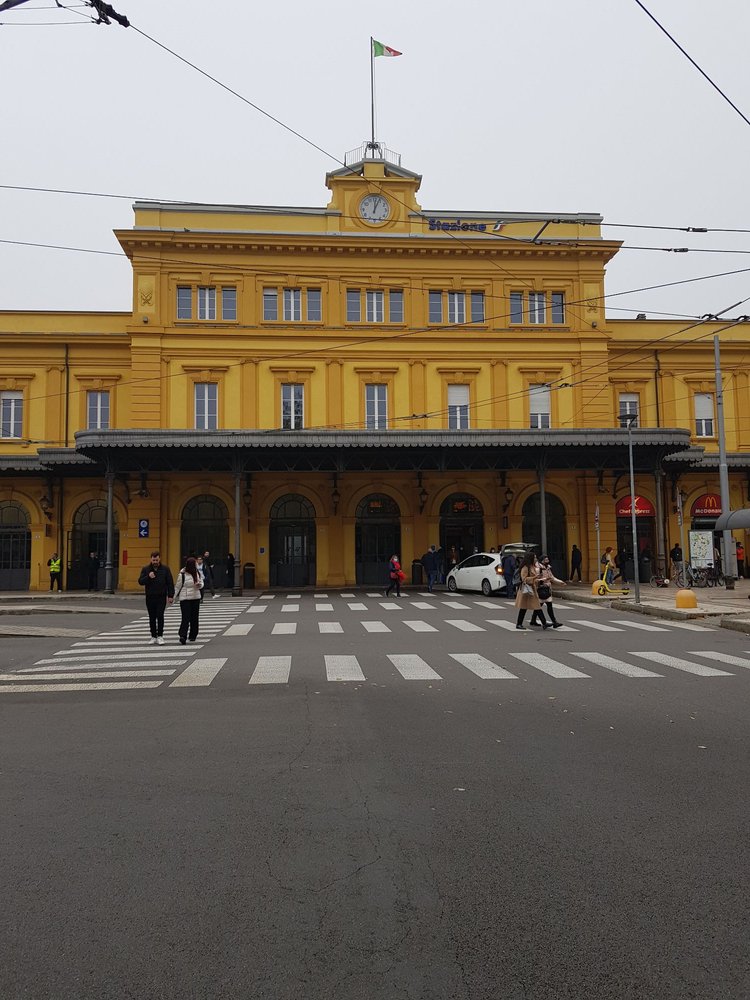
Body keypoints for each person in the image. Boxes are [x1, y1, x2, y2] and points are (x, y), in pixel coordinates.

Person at [138, 551, 175, 645]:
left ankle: (160, 635)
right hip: (150, 596)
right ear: (151, 559)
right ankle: (153, 636)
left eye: (157, 560)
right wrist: (148, 577)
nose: (155, 561)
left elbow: (170, 582)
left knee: (160, 615)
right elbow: (140, 581)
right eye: (154, 560)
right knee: (152, 617)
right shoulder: (146, 569)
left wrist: (170, 596)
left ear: (159, 559)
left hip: (161, 596)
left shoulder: (165, 569)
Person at [515, 549, 549, 630]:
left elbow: (533, 579)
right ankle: (519, 624)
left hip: (531, 589)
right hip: (526, 589)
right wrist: (535, 577)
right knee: (524, 607)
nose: (536, 559)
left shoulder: (532, 566)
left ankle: (544, 623)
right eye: (534, 558)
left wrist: (539, 579)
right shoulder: (526, 567)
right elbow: (524, 579)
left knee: (536, 606)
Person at [175, 556, 203, 644]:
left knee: (194, 618)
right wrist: (172, 596)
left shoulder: (197, 573)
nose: (196, 565)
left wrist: (199, 585)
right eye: (194, 564)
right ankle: (183, 635)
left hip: (195, 597)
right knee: (185, 617)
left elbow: (202, 582)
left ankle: (193, 635)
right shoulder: (182, 574)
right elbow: (177, 587)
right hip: (185, 598)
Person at [536, 554, 565, 628]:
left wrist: (560, 582)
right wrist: (542, 581)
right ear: (542, 560)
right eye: (546, 559)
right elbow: (535, 579)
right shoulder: (538, 569)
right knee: (538, 606)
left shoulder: (548, 568)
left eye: (547, 559)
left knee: (547, 605)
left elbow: (552, 577)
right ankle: (552, 622)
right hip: (540, 589)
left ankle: (554, 622)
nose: (547, 560)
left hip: (547, 589)